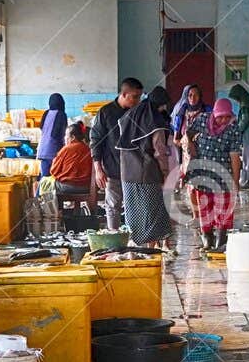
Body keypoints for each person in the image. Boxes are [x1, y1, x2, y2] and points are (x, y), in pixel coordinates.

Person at [116, 85, 175, 251]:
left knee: (134, 212)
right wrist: (165, 173)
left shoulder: (129, 116)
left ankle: (138, 245)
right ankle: (150, 248)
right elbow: (159, 152)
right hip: (147, 174)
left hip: (127, 173)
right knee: (152, 212)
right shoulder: (155, 122)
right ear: (160, 105)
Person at [183, 97, 242, 253]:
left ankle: (221, 241)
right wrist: (190, 144)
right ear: (214, 113)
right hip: (203, 172)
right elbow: (188, 133)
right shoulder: (202, 119)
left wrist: (235, 182)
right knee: (205, 206)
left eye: (227, 116)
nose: (223, 120)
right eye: (220, 116)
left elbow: (235, 157)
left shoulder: (233, 128)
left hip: (224, 175)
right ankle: (207, 239)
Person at [90, 78, 144, 229]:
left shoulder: (137, 113)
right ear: (124, 94)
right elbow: (96, 141)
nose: (138, 100)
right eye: (135, 96)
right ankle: (114, 240)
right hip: (112, 169)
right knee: (113, 207)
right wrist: (98, 169)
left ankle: (134, 240)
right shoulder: (106, 113)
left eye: (140, 96)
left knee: (134, 207)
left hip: (134, 170)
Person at [48, 120, 97, 211]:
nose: (64, 138)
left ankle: (53, 214)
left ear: (73, 137)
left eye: (66, 135)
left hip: (68, 187)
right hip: (87, 187)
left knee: (45, 183)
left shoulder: (66, 149)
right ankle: (77, 212)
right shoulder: (88, 149)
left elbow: (53, 171)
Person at [37, 93, 67, 179]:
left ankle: (39, 193)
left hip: (42, 150)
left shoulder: (46, 113)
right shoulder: (61, 114)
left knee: (44, 179)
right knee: (54, 178)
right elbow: (63, 134)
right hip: (54, 151)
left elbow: (42, 128)